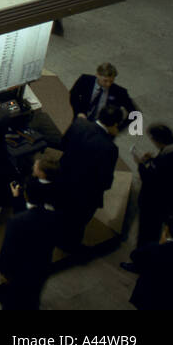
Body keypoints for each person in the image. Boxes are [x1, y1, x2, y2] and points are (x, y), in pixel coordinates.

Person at [58, 105, 122, 249]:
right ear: (115, 124)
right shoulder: (109, 148)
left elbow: (62, 144)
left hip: (63, 180)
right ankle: (70, 246)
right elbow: (105, 181)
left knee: (61, 212)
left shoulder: (79, 124)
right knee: (76, 224)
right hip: (84, 195)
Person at [0, 178, 58, 310]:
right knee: (33, 299)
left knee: (12, 303)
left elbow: (8, 250)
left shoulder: (16, 222)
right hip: (40, 268)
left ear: (26, 195)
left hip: (18, 274)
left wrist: (4, 271)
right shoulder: (53, 217)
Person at [130, 125, 173, 252]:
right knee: (159, 235)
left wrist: (140, 164)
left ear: (157, 140)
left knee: (147, 234)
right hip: (171, 203)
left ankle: (140, 262)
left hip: (153, 204)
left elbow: (151, 180)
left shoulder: (165, 159)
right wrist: (153, 160)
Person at [128, 214, 173, 310]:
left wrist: (160, 244)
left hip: (147, 298)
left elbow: (134, 255)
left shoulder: (155, 248)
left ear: (167, 230)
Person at [68, 63, 135, 123]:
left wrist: (118, 128)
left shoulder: (119, 92)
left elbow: (134, 113)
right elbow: (73, 95)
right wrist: (78, 112)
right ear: (97, 75)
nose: (108, 84)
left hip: (101, 127)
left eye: (111, 81)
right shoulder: (85, 80)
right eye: (105, 81)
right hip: (80, 119)